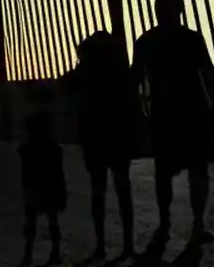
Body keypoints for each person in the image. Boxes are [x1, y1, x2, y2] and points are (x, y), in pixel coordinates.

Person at [132, 0, 214, 245]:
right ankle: (197, 224)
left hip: (165, 113)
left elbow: (134, 79)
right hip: (193, 110)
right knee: (197, 170)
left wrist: (140, 113)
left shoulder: (146, 41)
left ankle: (166, 224)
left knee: (164, 172)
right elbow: (208, 74)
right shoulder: (192, 38)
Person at [61, 30, 138, 259]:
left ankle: (101, 245)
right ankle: (127, 246)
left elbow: (65, 86)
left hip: (94, 137)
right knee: (123, 191)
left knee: (98, 191)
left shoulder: (85, 72)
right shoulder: (119, 72)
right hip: (118, 137)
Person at [17, 111, 66, 266]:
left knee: (31, 224)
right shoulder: (54, 149)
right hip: (50, 189)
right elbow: (59, 173)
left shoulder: (26, 149)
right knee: (52, 222)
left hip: (34, 189)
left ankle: (28, 255)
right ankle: (55, 253)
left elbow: (25, 174)